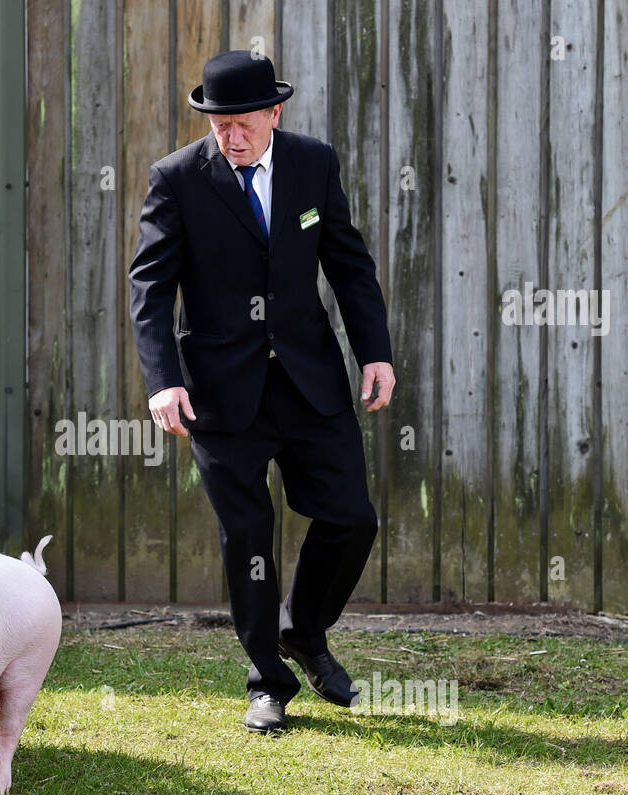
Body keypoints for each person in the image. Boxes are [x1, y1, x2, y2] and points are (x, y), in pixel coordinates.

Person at [129, 50, 396, 733]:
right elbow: (150, 290)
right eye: (219, 125)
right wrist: (163, 380)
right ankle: (266, 683)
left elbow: (350, 264)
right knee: (248, 534)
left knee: (351, 517)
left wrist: (375, 352)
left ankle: (303, 630)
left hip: (309, 380)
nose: (231, 137)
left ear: (274, 114)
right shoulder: (177, 180)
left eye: (243, 123)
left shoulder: (314, 164)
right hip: (221, 394)